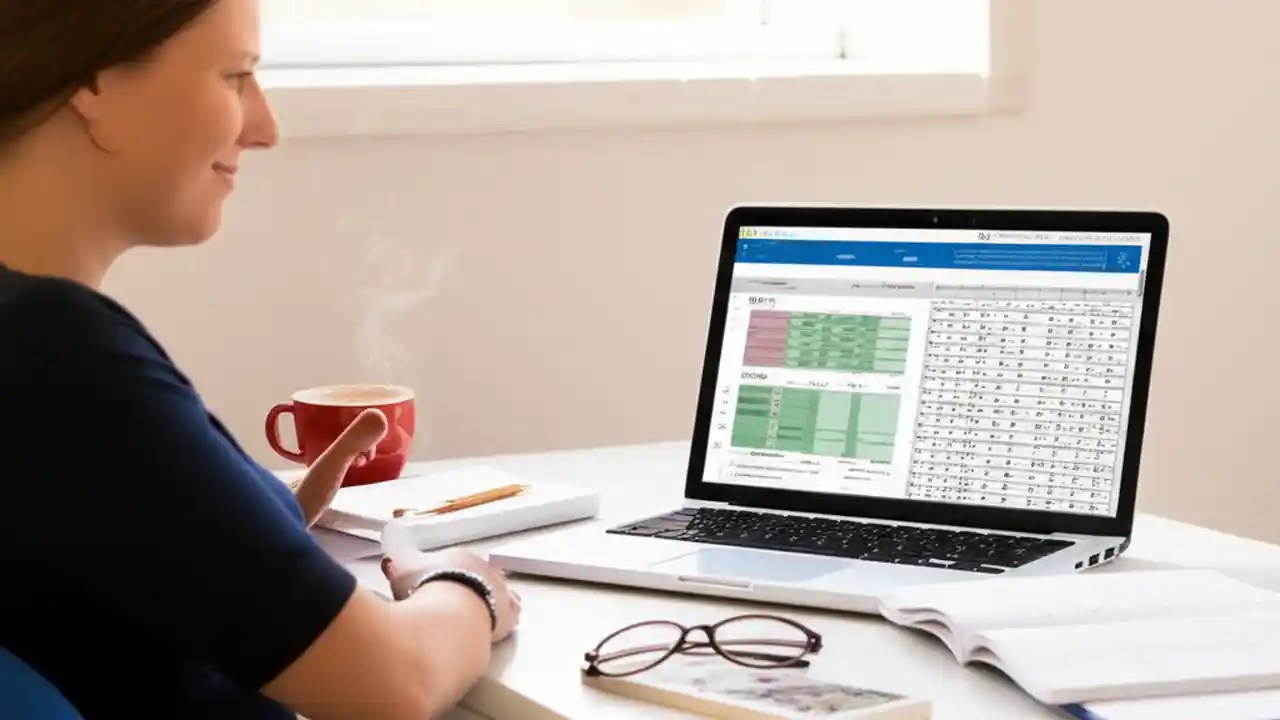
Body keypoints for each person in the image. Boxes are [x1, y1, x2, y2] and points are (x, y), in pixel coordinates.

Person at [0, 1, 521, 718]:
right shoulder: (53, 354)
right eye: (235, 76)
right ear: (95, 83)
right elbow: (392, 687)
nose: (265, 128)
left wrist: (245, 526)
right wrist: (468, 589)